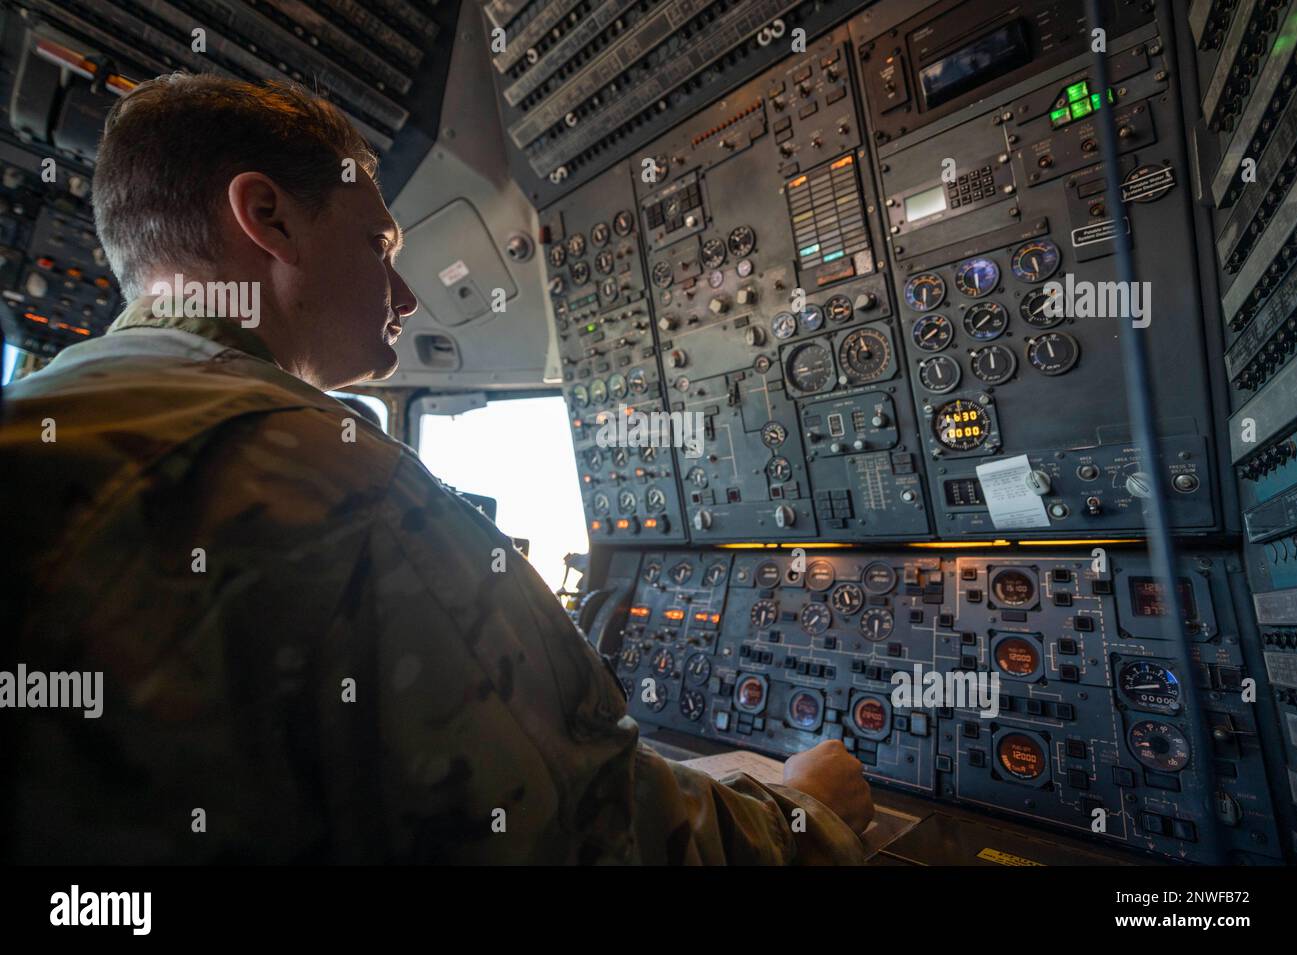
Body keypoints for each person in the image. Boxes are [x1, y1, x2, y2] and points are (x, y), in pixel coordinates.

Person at [0, 73, 872, 864]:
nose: (406, 294)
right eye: (380, 243)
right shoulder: (342, 485)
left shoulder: (46, 418)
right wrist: (802, 811)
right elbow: (600, 842)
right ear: (265, 216)